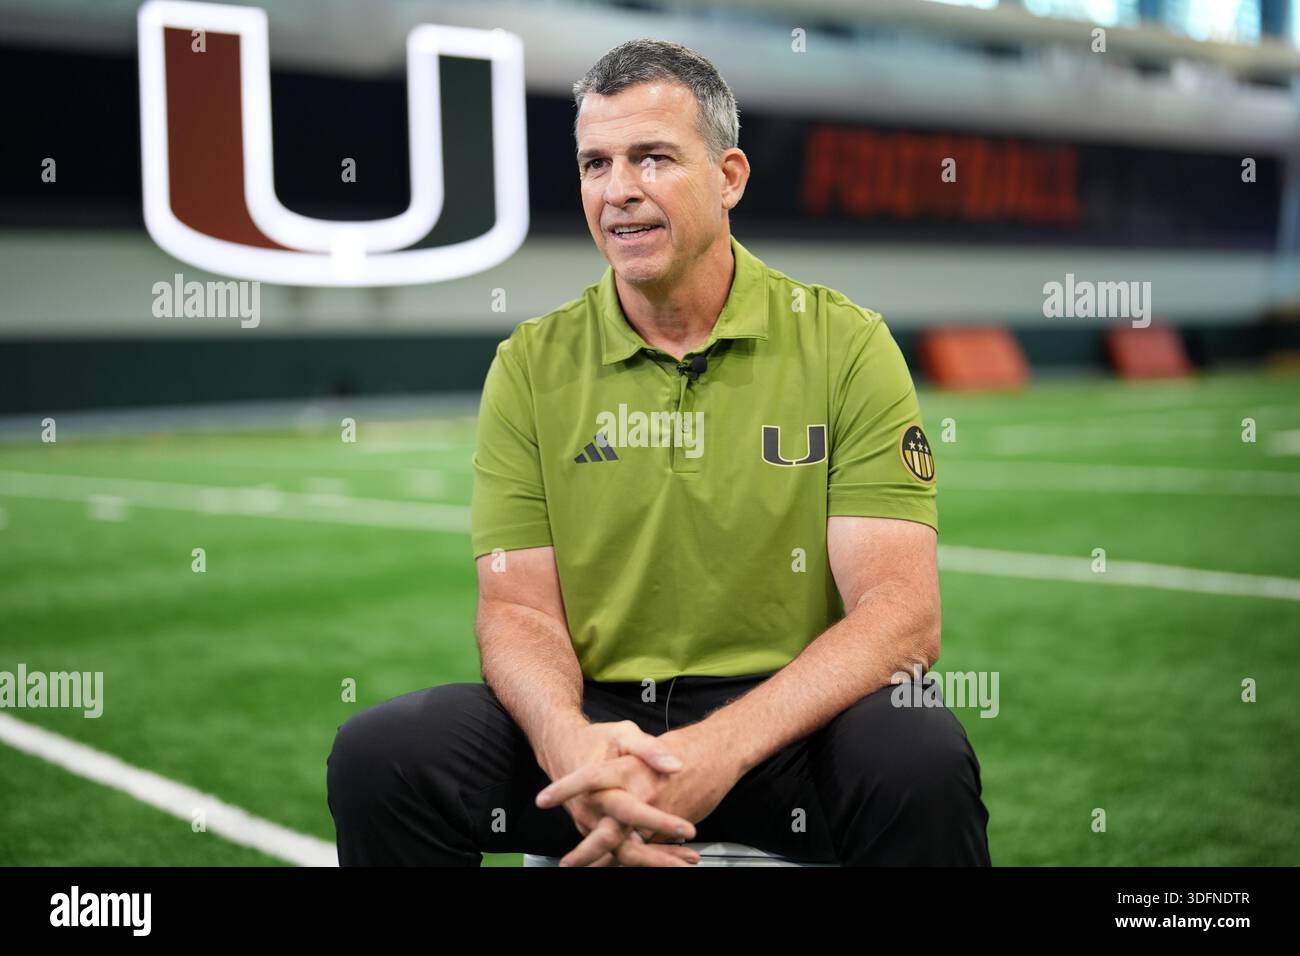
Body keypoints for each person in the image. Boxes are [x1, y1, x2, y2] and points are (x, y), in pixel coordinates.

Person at [327, 37, 991, 867]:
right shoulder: (531, 365)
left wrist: (714, 753)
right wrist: (575, 750)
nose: (619, 192)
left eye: (652, 158)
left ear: (730, 176)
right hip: (600, 724)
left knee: (917, 750)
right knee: (381, 756)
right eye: (595, 164)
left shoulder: (845, 345)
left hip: (788, 727)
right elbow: (517, 611)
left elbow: (901, 618)